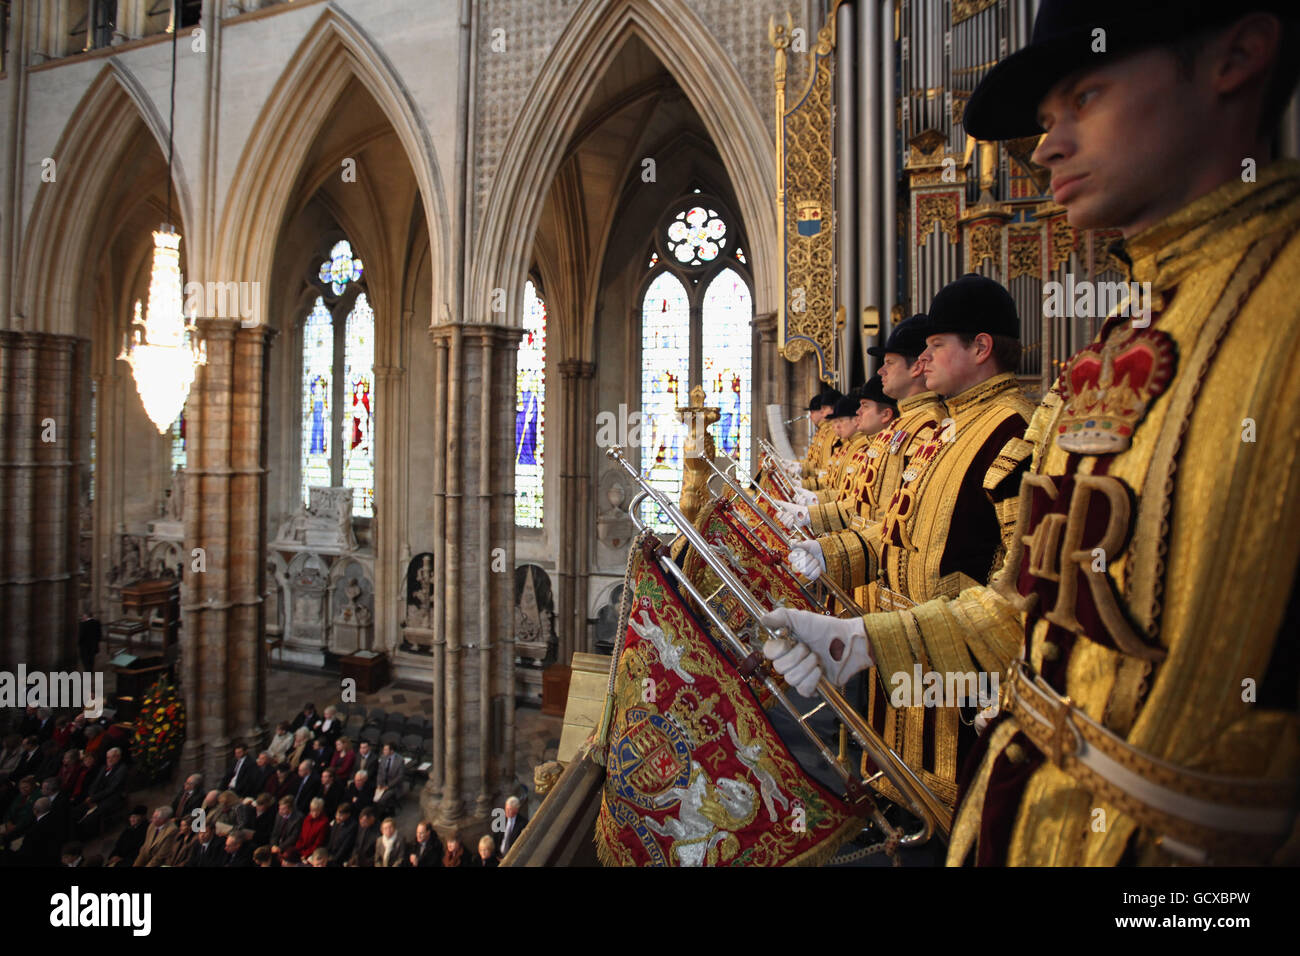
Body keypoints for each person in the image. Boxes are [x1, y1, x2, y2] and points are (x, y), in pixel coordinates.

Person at [766, 0, 1300, 866]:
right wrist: (864, 635)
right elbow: (1026, 603)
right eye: (1045, 122)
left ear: (1236, 56)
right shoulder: (1113, 340)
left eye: (1084, 99)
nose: (1045, 146)